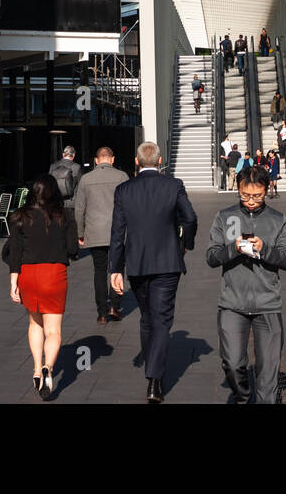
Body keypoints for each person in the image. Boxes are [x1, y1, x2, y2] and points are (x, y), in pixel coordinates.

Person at [109, 141, 199, 403]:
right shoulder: (173, 185)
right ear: (160, 162)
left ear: (136, 162)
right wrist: (186, 244)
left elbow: (117, 232)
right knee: (160, 319)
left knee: (148, 317)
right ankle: (154, 380)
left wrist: (116, 268)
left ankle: (152, 366)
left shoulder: (123, 190)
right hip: (168, 261)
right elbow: (190, 218)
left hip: (136, 263)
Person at [206, 167, 286, 404]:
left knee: (268, 374)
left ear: (267, 190)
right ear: (238, 189)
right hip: (232, 304)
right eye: (245, 195)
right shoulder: (224, 217)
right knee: (232, 363)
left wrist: (264, 249)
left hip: (267, 304)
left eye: (257, 196)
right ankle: (243, 396)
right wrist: (232, 249)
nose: (251, 201)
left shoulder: (278, 220)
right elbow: (211, 257)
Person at [3, 174, 79, 399]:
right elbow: (73, 249)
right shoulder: (64, 216)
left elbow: (14, 253)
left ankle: (37, 369)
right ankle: (49, 368)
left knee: (35, 323)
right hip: (54, 274)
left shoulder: (19, 217)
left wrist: (13, 283)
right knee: (53, 330)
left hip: (29, 275)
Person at [74, 146, 129, 324]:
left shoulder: (86, 179)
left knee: (99, 271)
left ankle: (102, 312)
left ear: (96, 160)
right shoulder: (122, 177)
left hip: (95, 231)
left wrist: (80, 232)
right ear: (112, 159)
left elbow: (79, 209)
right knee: (117, 269)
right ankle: (115, 305)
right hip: (118, 232)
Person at [48, 146, 80, 214]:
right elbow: (81, 186)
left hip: (56, 203)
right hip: (71, 204)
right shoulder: (76, 167)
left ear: (63, 154)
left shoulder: (53, 166)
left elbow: (49, 184)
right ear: (73, 155)